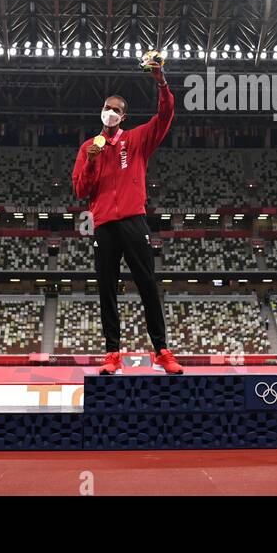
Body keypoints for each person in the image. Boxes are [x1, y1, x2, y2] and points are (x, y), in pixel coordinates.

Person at [71, 59, 182, 376]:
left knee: (147, 284)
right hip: (104, 225)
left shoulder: (136, 140)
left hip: (134, 220)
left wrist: (161, 82)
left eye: (116, 110)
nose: (110, 112)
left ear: (123, 117)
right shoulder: (89, 147)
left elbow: (165, 116)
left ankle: (161, 351)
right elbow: (80, 190)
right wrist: (91, 162)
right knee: (107, 289)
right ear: (101, 111)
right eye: (107, 107)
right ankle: (112, 354)